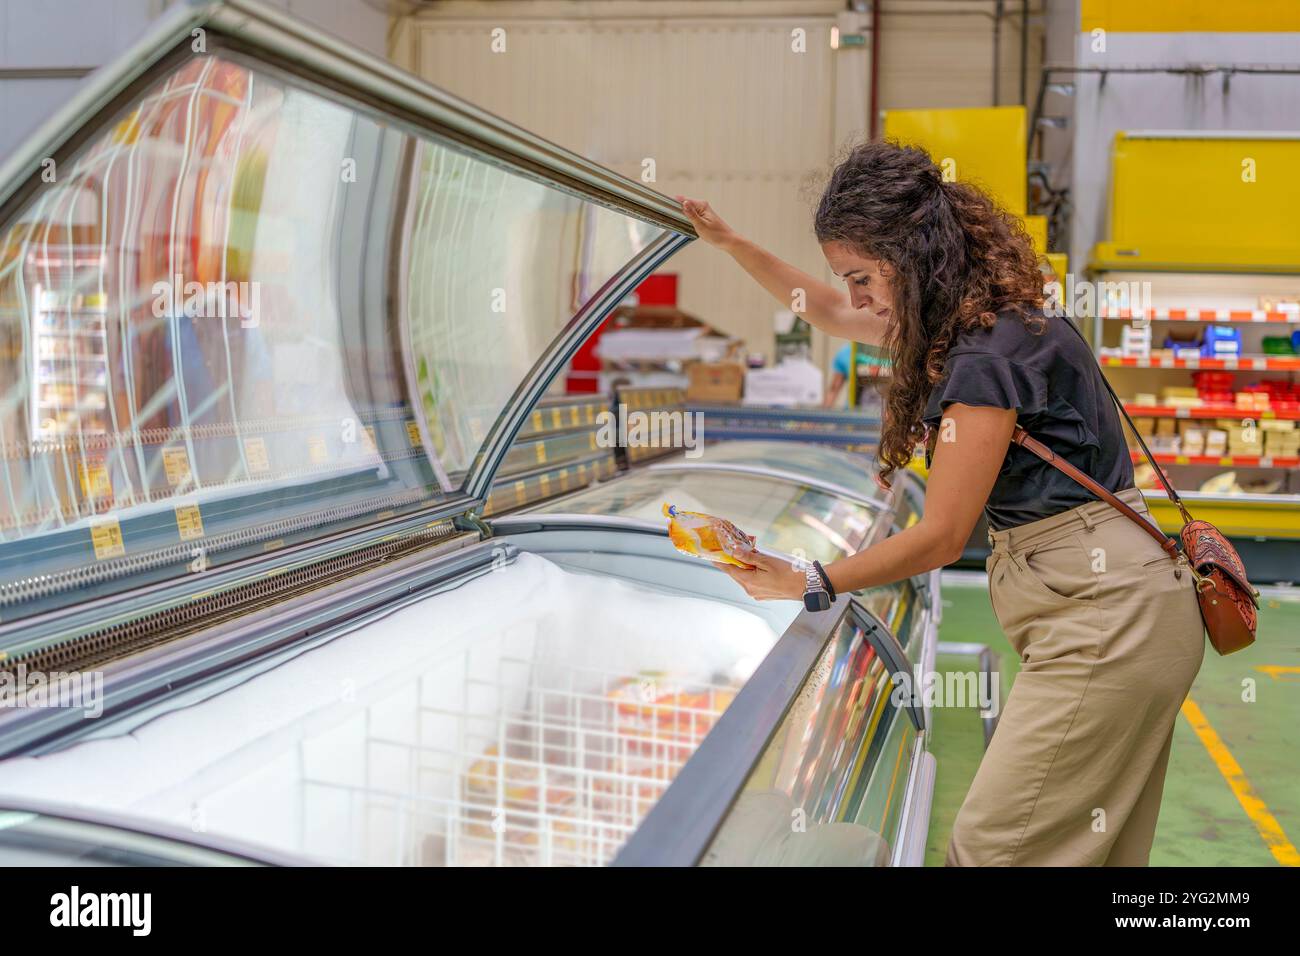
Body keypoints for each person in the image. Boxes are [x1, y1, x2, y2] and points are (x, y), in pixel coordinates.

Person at [675, 141, 1205, 867]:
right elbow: (826, 310)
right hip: (1116, 604)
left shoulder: (987, 357)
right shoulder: (986, 323)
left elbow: (943, 535)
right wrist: (730, 242)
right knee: (1095, 854)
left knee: (991, 849)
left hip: (1106, 619)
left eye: (864, 277)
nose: (857, 298)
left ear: (912, 257)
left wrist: (811, 579)